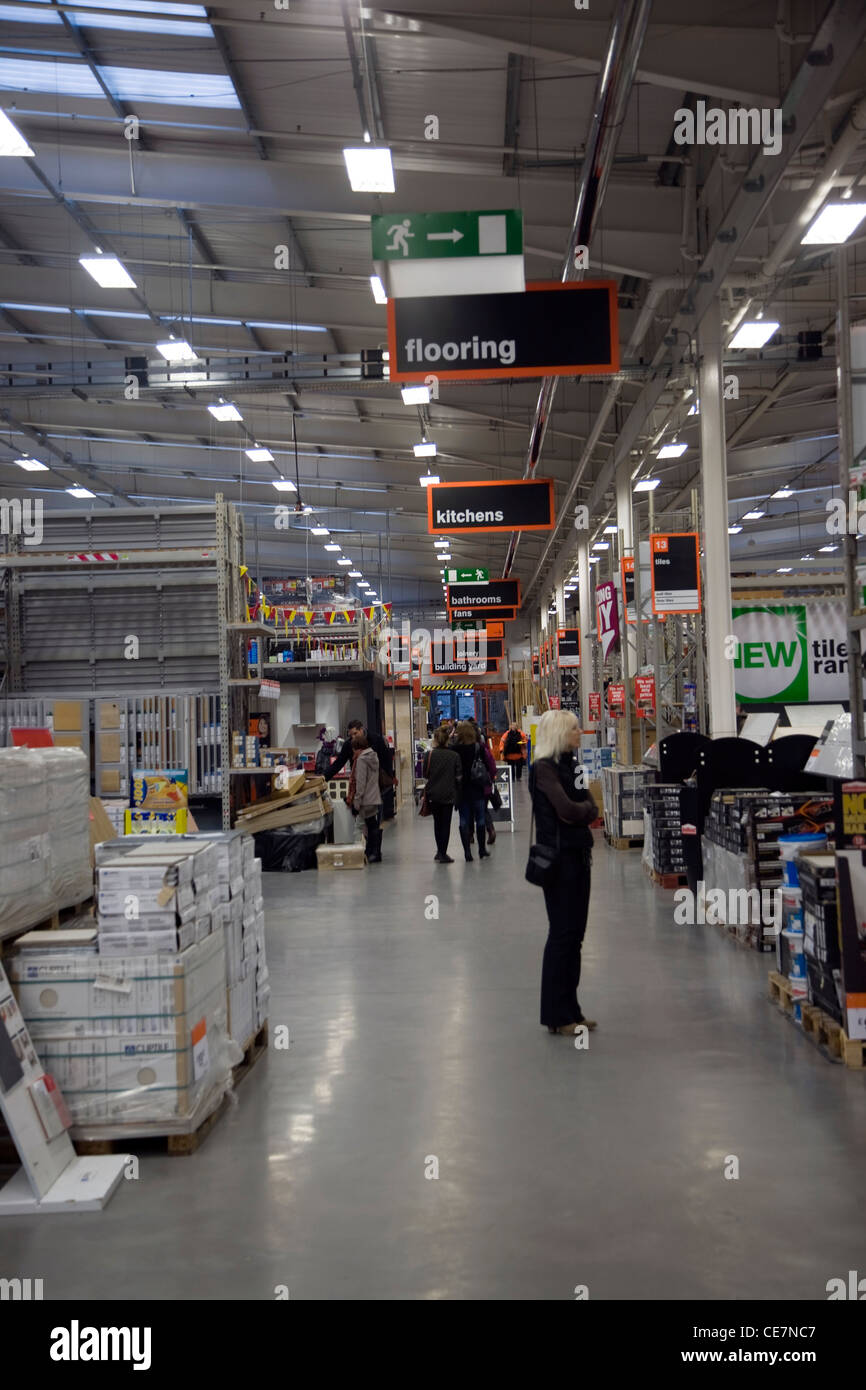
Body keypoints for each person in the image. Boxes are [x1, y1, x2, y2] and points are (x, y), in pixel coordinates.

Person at [529, 709, 598, 1035]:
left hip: (579, 857)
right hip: (559, 862)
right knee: (562, 935)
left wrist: (581, 811)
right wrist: (581, 811)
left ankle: (572, 1010)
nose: (579, 732)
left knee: (576, 937)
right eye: (573, 729)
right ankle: (556, 1014)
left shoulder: (574, 766)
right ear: (559, 733)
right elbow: (569, 809)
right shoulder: (543, 770)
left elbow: (590, 806)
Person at [328, 719, 396, 818]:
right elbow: (338, 764)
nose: (353, 737)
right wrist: (324, 777)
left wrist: (388, 779)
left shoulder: (376, 740)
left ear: (361, 729)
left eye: (355, 733)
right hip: (366, 787)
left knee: (369, 821)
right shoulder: (349, 744)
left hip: (375, 785)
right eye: (351, 735)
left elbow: (386, 760)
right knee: (370, 822)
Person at [422, 726, 462, 863]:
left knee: (437, 823)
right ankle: (443, 853)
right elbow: (459, 776)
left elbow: (425, 774)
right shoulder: (454, 756)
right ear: (447, 740)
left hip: (433, 794)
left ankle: (439, 851)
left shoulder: (429, 755)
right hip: (448, 794)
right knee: (446, 824)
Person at [454, 720, 489, 861]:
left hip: (462, 789)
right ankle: (481, 849)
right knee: (480, 818)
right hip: (477, 788)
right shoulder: (478, 748)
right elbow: (486, 765)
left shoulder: (455, 749)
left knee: (464, 819)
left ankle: (467, 852)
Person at [347, 732, 383, 862]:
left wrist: (356, 803)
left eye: (353, 749)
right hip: (374, 797)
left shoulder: (362, 760)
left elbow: (360, 784)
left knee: (364, 826)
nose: (353, 752)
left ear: (358, 748)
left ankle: (368, 853)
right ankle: (374, 852)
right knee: (372, 825)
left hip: (365, 799)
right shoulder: (373, 756)